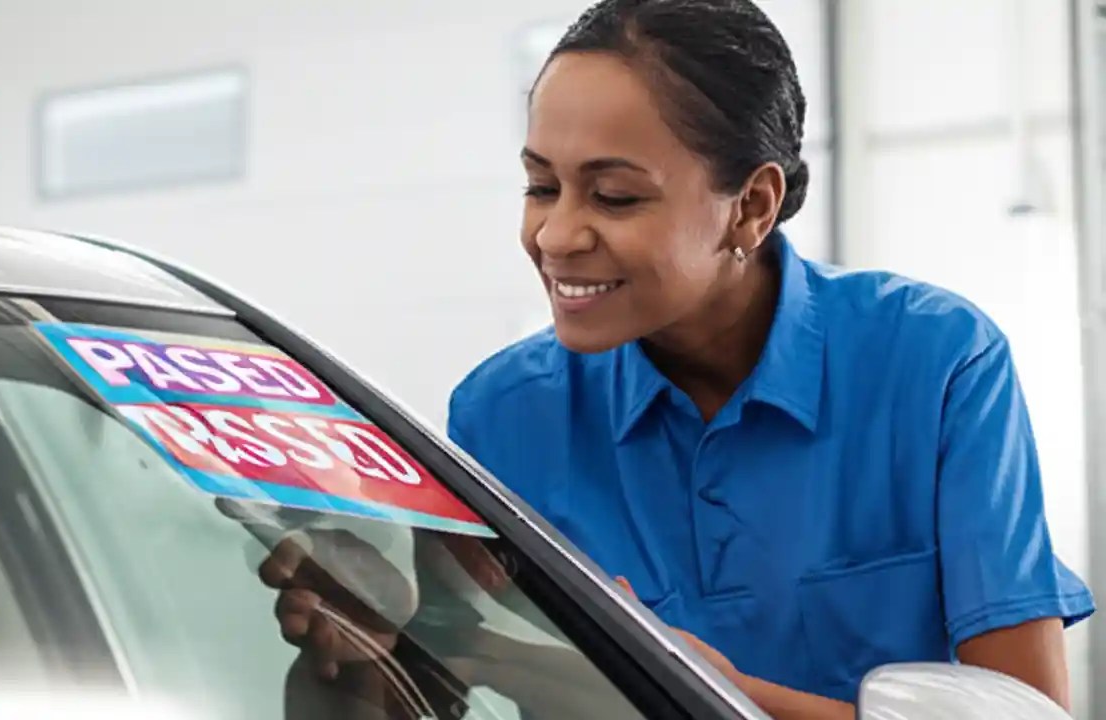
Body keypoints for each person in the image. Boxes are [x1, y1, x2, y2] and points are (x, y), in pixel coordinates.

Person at [442, 0, 1094, 717]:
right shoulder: (500, 416)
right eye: (541, 187)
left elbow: (1025, 715)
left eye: (614, 196)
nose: (556, 235)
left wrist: (726, 698)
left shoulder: (935, 364)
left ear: (751, 206)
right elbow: (456, 672)